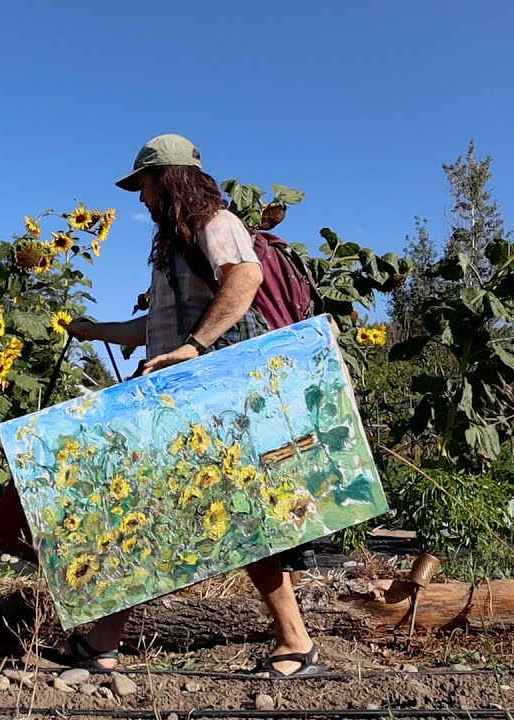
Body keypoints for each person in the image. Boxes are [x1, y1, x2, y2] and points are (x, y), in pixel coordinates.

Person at [60, 133, 325, 678]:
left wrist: (195, 348)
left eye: (145, 184)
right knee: (146, 509)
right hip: (180, 399)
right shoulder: (177, 244)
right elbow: (151, 330)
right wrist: (91, 329)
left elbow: (244, 279)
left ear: (171, 179)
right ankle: (105, 639)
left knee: (248, 517)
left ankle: (296, 642)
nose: (140, 198)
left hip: (219, 396)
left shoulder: (216, 225)